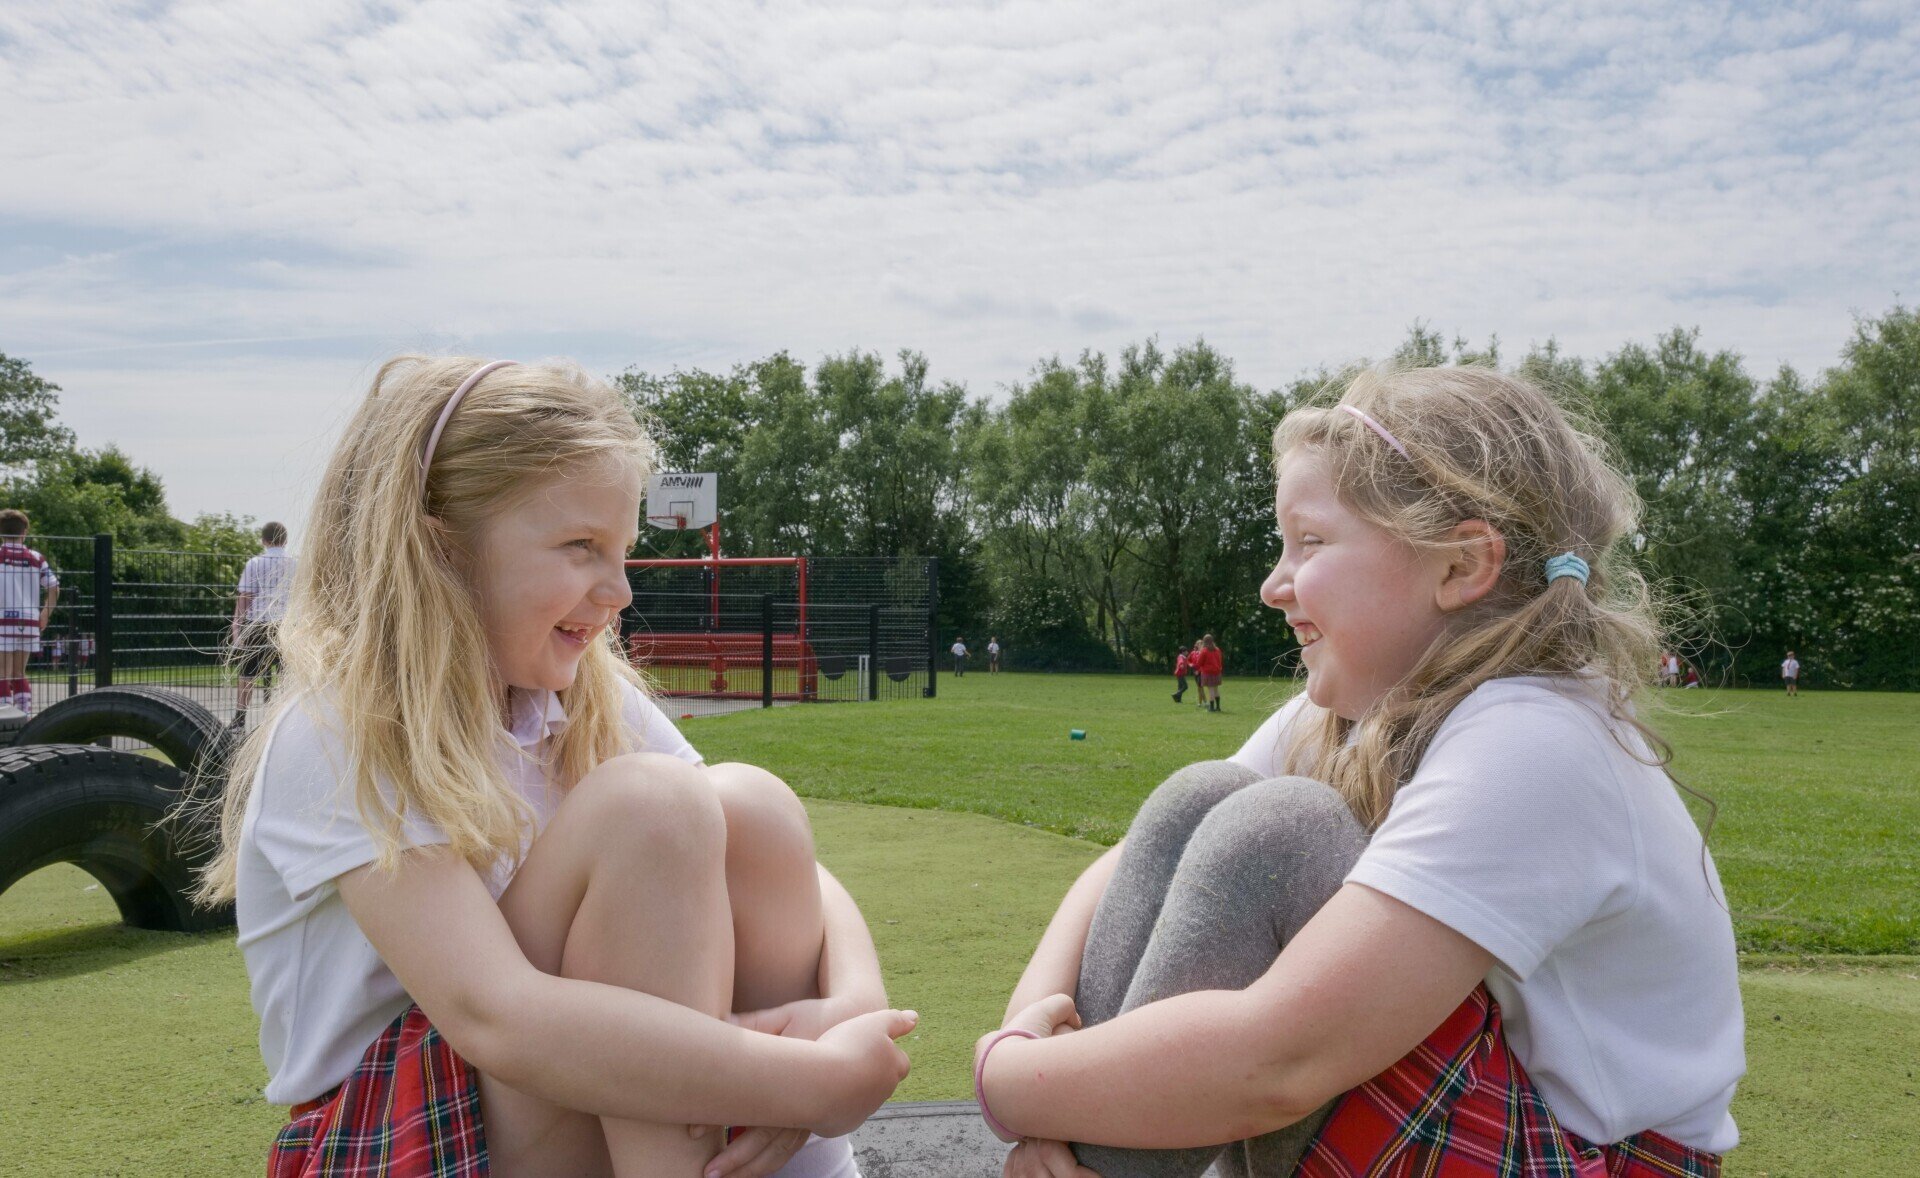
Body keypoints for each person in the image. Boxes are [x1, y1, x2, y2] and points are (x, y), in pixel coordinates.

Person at [976, 366, 1741, 1177]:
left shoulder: (1538, 738)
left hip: (1593, 1160)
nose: (1274, 585)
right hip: (1495, 1117)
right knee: (1200, 796)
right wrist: (1031, 1027)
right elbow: (1127, 861)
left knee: (1280, 835)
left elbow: (1280, 1063)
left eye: (1308, 542)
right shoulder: (1373, 705)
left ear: (1459, 566)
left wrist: (1011, 1082)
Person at [194, 357, 915, 1178]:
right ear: (444, 550)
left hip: (526, 1108)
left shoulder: (581, 696)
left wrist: (851, 1004)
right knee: (652, 808)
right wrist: (800, 1079)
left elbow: (798, 873)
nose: (619, 590)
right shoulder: (343, 728)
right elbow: (496, 1016)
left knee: (751, 807)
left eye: (623, 551)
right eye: (581, 548)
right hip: (400, 1133)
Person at [230, 521, 296, 730]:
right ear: (285, 540)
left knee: (247, 673)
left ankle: (240, 719)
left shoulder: (255, 563)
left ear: (264, 541)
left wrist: (236, 625)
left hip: (258, 623)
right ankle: (283, 722)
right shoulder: (296, 564)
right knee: (285, 675)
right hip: (286, 624)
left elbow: (246, 596)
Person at [0, 509, 58, 715]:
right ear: (24, 531)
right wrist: (45, 614)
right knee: (19, 673)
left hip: (2, 621)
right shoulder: (36, 558)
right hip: (28, 621)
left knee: (2, 675)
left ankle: (4, 720)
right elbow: (53, 588)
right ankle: (24, 718)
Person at [1194, 634, 1224, 713]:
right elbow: (1220, 660)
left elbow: (1199, 663)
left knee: (1210, 689)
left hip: (1207, 673)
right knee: (1216, 689)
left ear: (1204, 641)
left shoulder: (1204, 651)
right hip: (1217, 672)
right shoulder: (1217, 649)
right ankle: (1218, 707)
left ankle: (1211, 708)